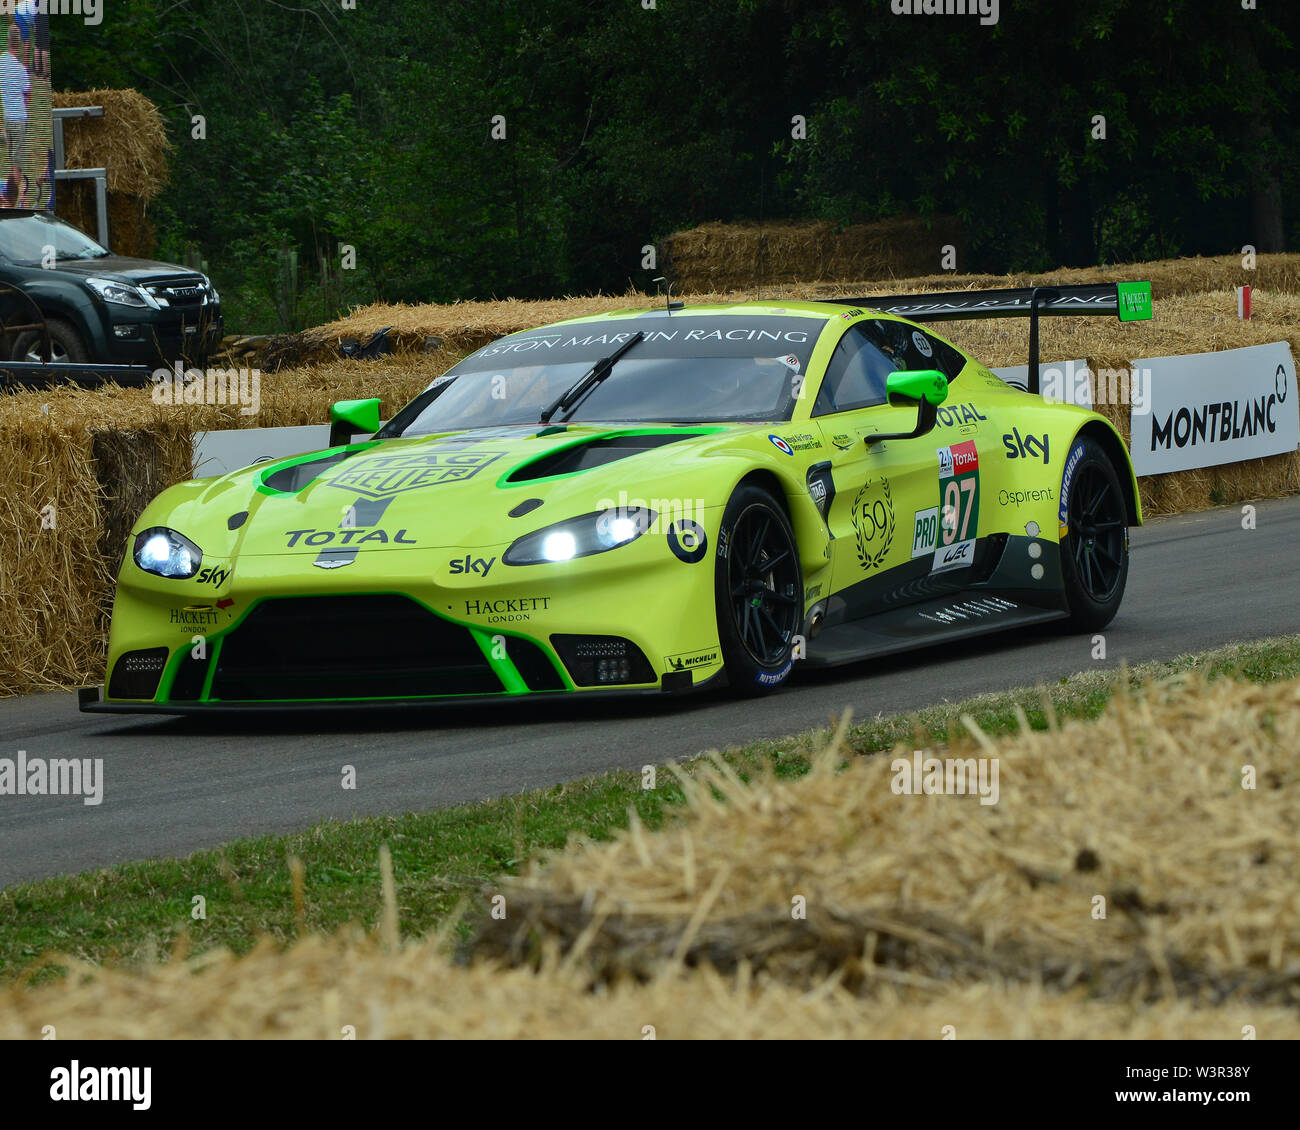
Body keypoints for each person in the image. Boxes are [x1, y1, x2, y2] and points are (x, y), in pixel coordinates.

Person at [0, 26, 31, 178]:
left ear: (7, 41)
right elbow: (28, 96)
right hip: (19, 118)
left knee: (11, 158)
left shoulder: (1, 62)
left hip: (7, 118)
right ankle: (16, 197)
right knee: (17, 164)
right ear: (20, 44)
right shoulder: (21, 70)